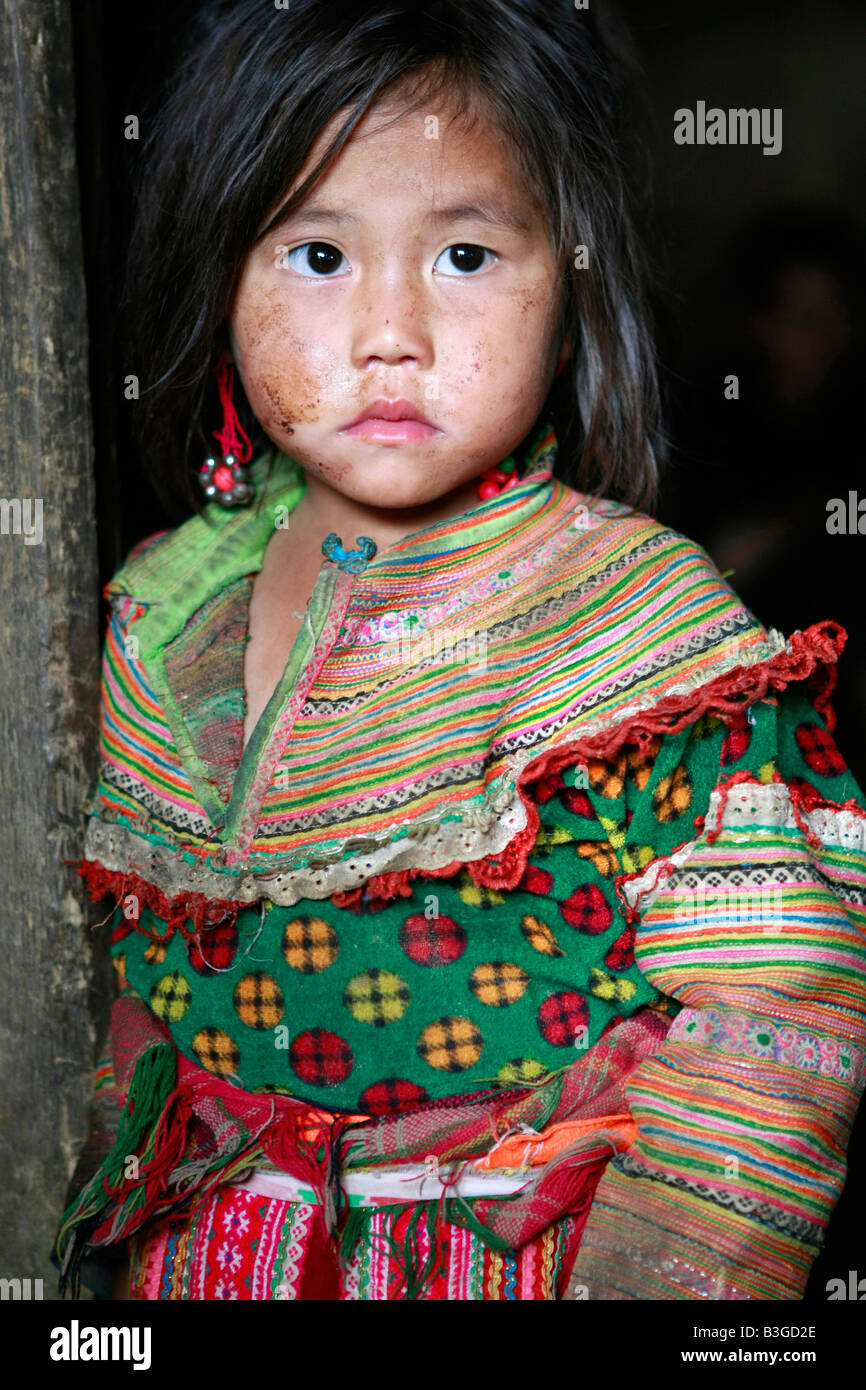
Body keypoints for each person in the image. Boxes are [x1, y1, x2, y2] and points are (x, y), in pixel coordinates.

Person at [53, 0, 866, 1302]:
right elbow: (127, 986)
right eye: (317, 255)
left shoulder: (633, 617)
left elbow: (779, 1012)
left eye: (467, 256)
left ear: (569, 287)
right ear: (219, 275)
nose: (392, 330)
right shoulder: (162, 600)